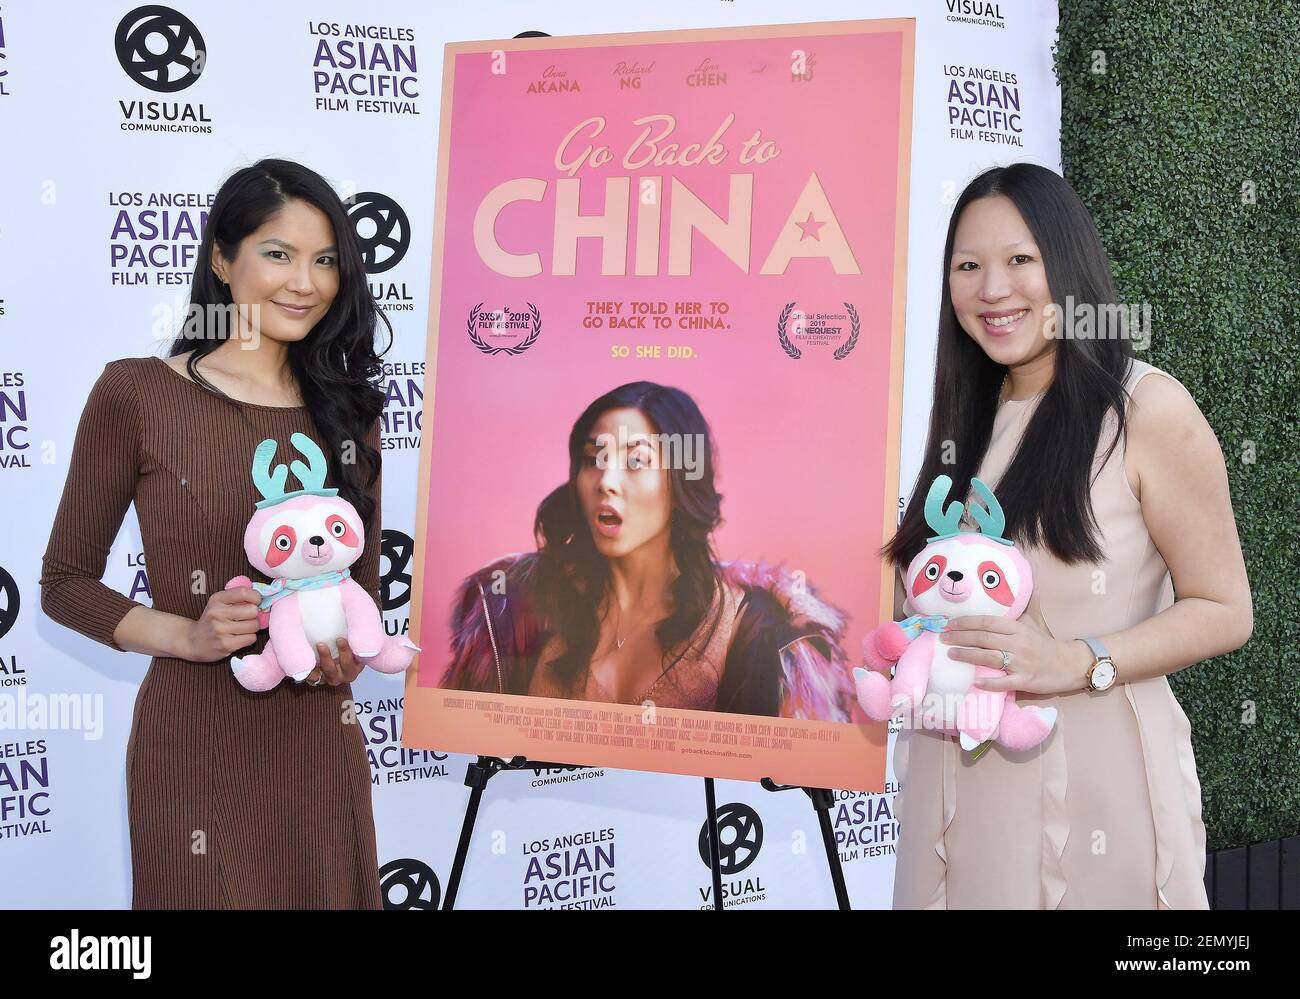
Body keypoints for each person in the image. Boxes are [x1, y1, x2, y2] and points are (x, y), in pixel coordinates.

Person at [882, 163, 1253, 909]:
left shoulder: (1146, 409)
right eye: (968, 265)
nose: (993, 289)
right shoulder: (961, 420)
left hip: (1099, 781)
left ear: (1069, 262)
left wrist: (1077, 661)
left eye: (1021, 260)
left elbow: (1225, 607)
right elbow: (922, 605)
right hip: (954, 790)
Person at [39, 158, 391, 908]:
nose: (306, 282)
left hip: (318, 750)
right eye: (279, 253)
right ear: (221, 260)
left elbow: (360, 597)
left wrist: (343, 657)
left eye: (326, 260)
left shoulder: (351, 409)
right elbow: (64, 582)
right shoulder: (135, 393)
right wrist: (188, 636)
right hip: (193, 745)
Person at [442, 381, 857, 721]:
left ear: (681, 483)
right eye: (593, 459)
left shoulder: (754, 631)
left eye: (636, 461)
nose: (606, 480)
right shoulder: (521, 606)